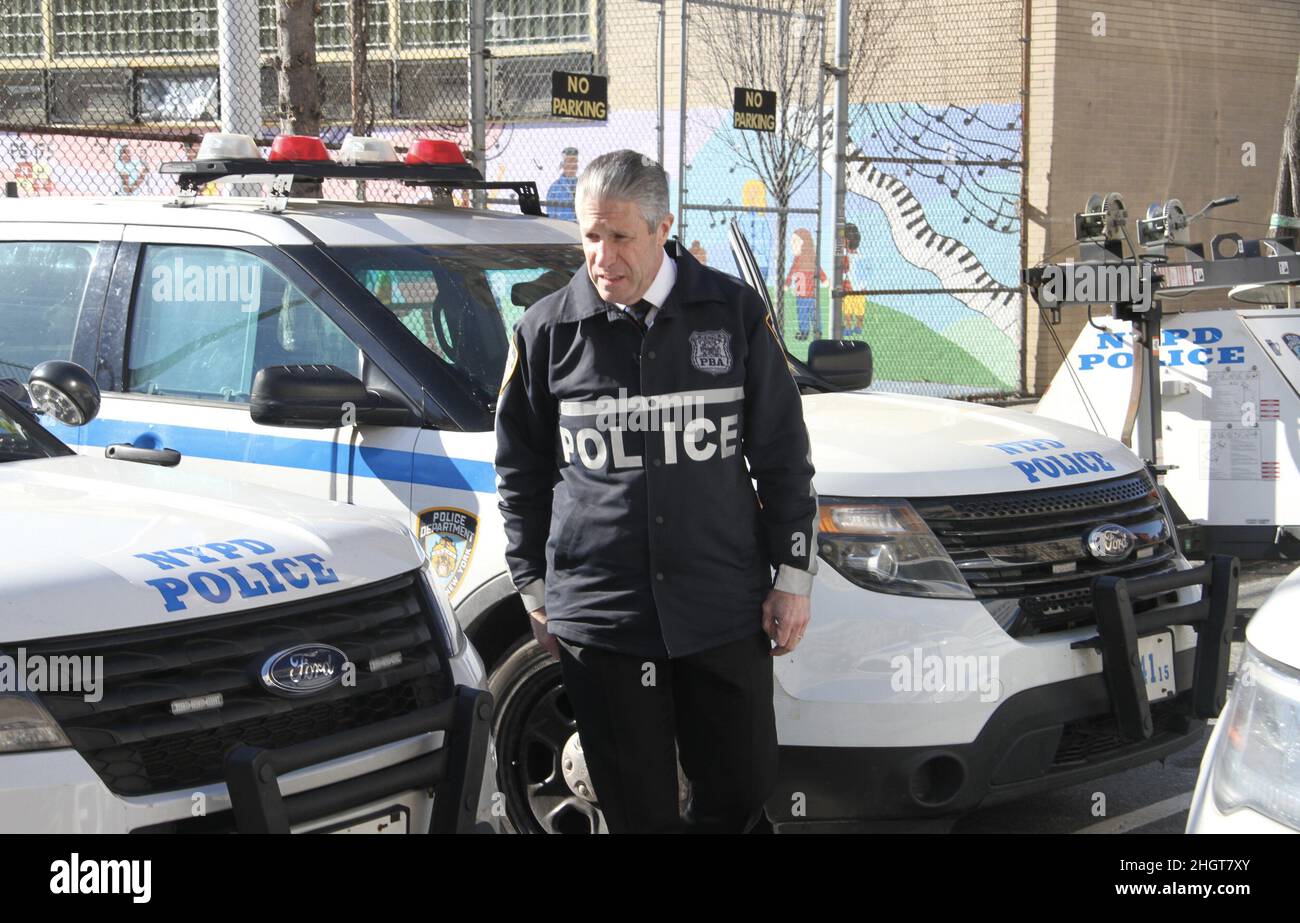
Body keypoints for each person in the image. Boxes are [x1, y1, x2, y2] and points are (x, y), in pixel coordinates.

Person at [495, 150, 818, 834]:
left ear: (663, 226)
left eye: (620, 237)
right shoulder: (547, 333)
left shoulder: (731, 314)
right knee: (638, 811)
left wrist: (793, 575)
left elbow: (784, 456)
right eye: (589, 236)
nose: (602, 256)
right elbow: (519, 471)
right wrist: (533, 587)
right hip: (605, 618)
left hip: (721, 607)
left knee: (739, 792)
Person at [785, 228, 824, 340]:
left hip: (812, 294)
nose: (792, 245)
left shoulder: (813, 258)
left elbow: (819, 270)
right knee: (802, 315)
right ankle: (804, 332)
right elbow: (792, 271)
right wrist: (787, 283)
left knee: (814, 314)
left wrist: (824, 279)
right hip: (801, 294)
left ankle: (817, 331)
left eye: (795, 241)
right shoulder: (797, 259)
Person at [546, 146, 580, 220]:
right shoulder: (555, 188)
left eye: (575, 161)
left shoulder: (582, 186)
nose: (574, 165)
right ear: (563, 164)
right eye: (571, 161)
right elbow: (551, 216)